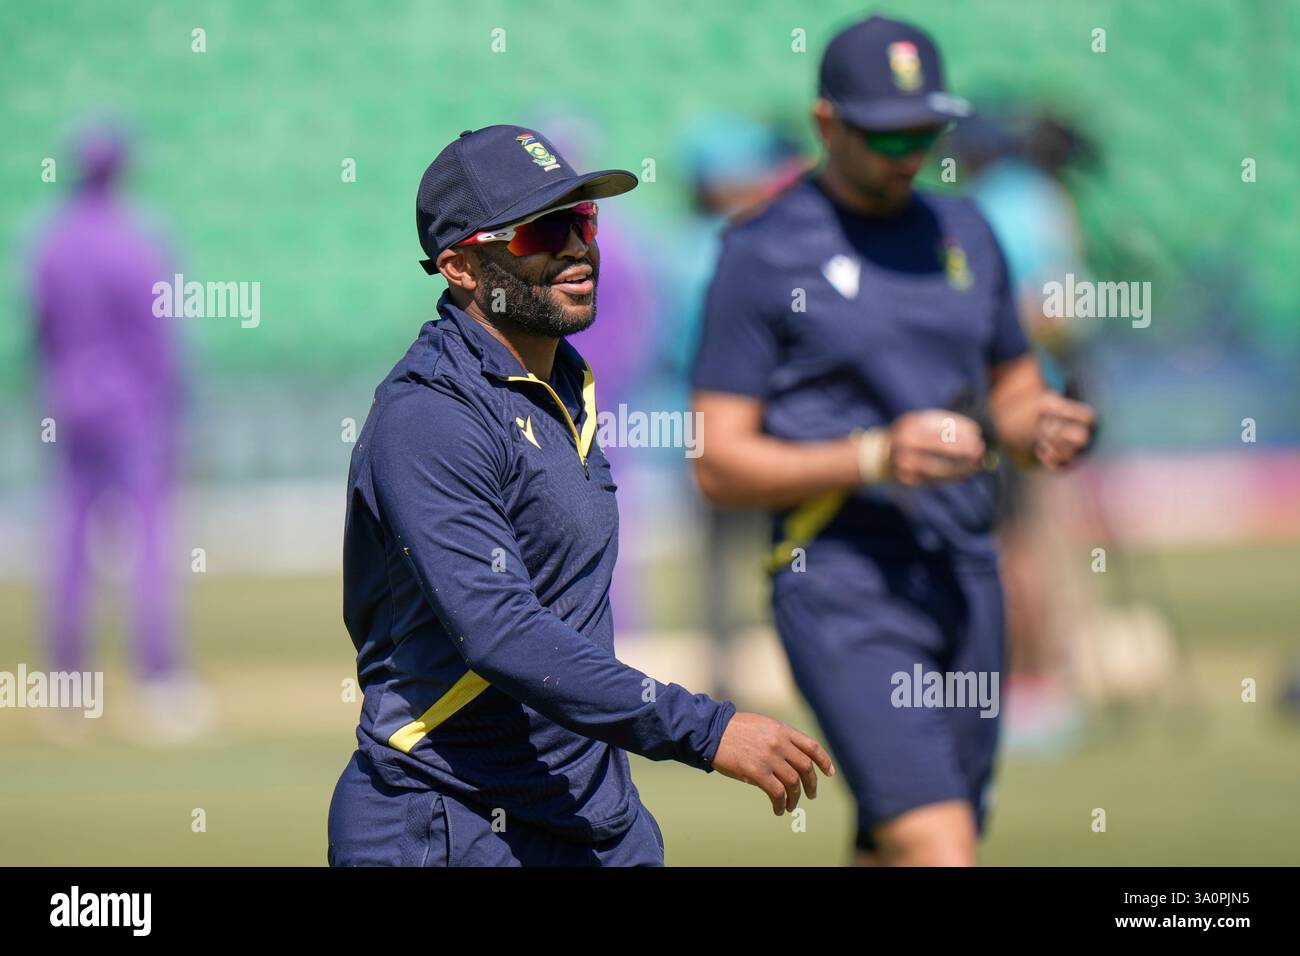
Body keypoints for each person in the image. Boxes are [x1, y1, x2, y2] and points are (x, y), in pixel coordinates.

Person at [327, 125, 833, 867]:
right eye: (542, 230)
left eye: (583, 220)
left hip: (591, 817)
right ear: (462, 267)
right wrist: (705, 727)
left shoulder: (568, 385)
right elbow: (500, 630)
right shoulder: (428, 415)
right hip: (447, 819)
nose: (576, 247)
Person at [690, 17, 1096, 866]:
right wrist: (875, 456)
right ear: (827, 123)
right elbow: (717, 459)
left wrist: (1040, 424)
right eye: (884, 133)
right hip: (840, 578)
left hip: (967, 570)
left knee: (897, 838)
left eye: (925, 130)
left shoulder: (967, 233)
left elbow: (1014, 386)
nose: (906, 151)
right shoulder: (761, 252)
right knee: (938, 845)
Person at [28, 122, 205, 743]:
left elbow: (40, 331)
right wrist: (179, 408)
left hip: (72, 405)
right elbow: (163, 336)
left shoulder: (49, 243)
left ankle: (68, 689)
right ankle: (159, 681)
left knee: (71, 544)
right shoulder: (140, 241)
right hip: (134, 409)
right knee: (151, 541)